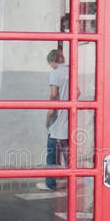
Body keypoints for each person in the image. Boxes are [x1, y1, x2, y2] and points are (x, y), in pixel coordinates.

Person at [38, 49, 69, 191]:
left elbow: (53, 95)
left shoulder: (55, 73)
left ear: (52, 61)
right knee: (67, 153)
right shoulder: (71, 71)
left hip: (57, 120)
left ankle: (50, 184)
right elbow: (78, 92)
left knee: (51, 153)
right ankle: (71, 181)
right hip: (68, 119)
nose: (50, 66)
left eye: (50, 63)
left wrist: (48, 116)